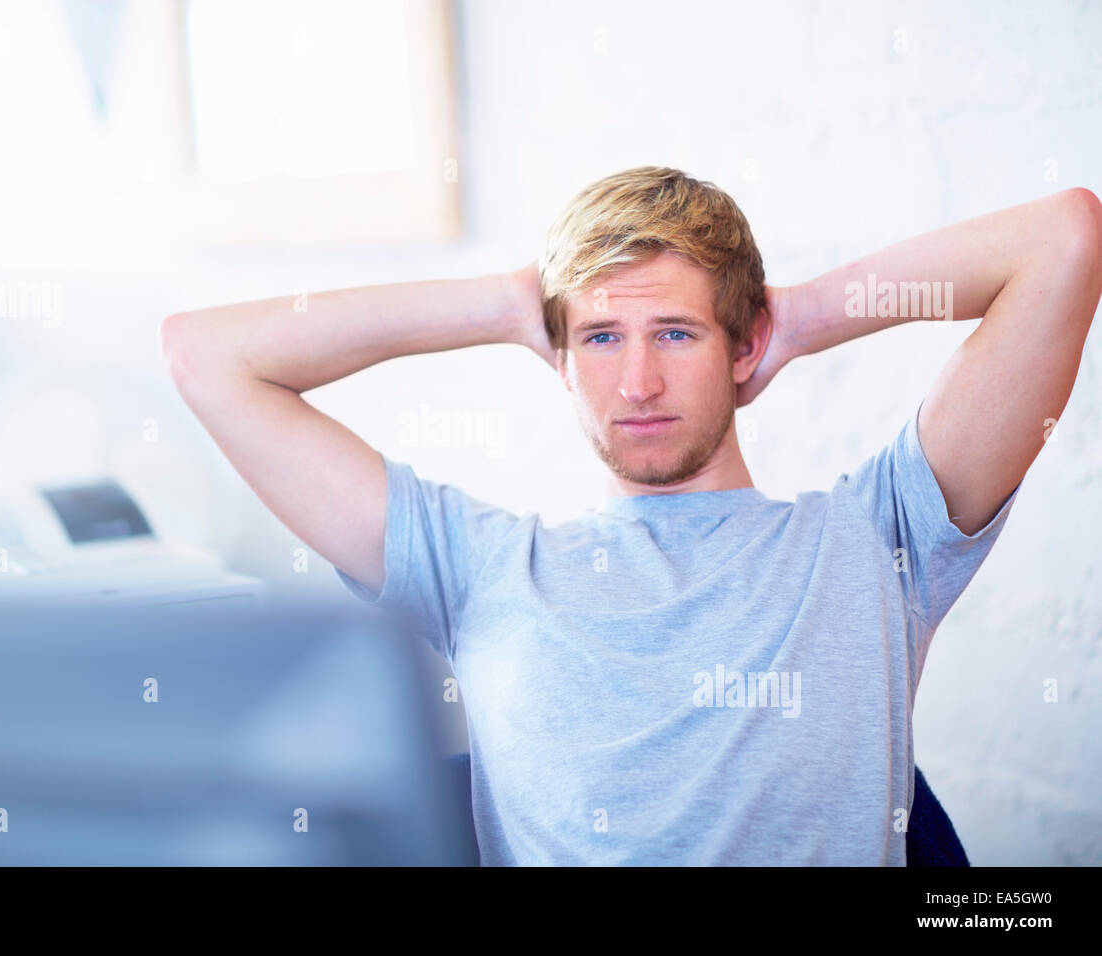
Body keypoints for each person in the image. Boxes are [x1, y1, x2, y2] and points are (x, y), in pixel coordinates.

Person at [160, 167, 1102, 865]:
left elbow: (1064, 241)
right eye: (602, 337)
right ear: (558, 356)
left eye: (677, 334)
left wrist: (803, 316)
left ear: (742, 345)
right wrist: (499, 303)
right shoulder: (477, 567)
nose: (638, 382)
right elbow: (208, 356)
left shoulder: (877, 539)